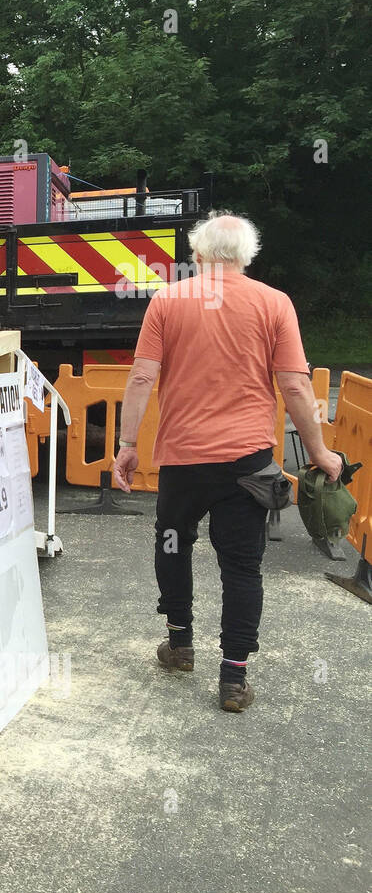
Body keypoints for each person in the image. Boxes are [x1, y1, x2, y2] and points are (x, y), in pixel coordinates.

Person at [113, 212, 342, 712]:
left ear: (196, 255)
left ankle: (179, 643)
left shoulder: (167, 301)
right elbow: (296, 385)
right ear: (246, 256)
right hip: (248, 463)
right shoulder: (274, 303)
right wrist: (320, 451)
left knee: (173, 545)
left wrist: (127, 444)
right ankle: (234, 677)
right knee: (242, 566)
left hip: (183, 460)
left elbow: (140, 378)